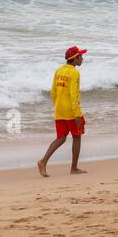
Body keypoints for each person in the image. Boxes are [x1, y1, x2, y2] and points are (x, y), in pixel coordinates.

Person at [38, 45, 88, 177]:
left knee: (60, 138)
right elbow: (74, 94)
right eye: (80, 56)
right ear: (74, 58)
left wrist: (58, 105)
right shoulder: (75, 73)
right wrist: (77, 113)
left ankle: (43, 161)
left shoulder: (58, 71)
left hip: (59, 111)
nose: (82, 58)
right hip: (72, 112)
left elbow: (53, 92)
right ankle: (74, 168)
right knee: (77, 137)